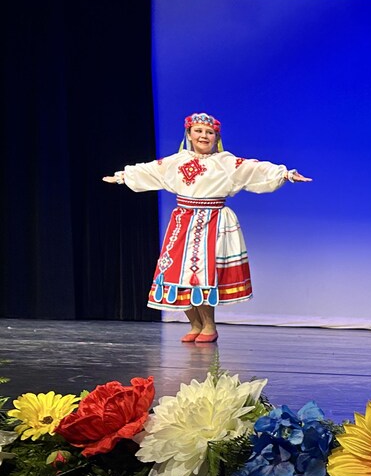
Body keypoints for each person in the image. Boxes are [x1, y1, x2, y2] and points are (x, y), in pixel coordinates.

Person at [103, 112, 311, 343]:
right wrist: (123, 176)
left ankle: (209, 327)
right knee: (174, 274)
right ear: (189, 134)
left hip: (212, 222)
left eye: (209, 132)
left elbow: (254, 169)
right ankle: (195, 325)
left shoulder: (226, 162)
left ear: (216, 137)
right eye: (199, 131)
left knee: (200, 276)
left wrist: (285, 174)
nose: (204, 136)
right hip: (183, 221)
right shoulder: (177, 161)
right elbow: (152, 170)